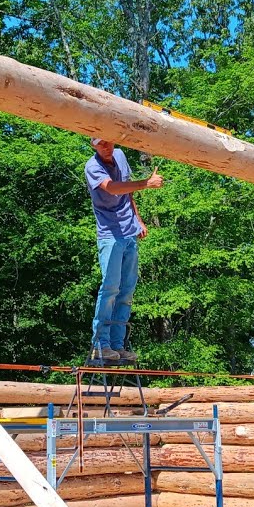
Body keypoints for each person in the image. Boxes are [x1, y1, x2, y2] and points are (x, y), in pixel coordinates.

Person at [84, 137, 164, 362]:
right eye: (101, 144)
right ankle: (100, 345)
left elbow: (127, 193)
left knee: (127, 291)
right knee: (110, 289)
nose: (107, 147)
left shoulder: (120, 155)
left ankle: (117, 346)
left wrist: (138, 220)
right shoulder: (92, 167)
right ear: (93, 145)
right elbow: (113, 188)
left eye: (108, 142)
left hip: (129, 233)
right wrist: (146, 183)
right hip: (110, 235)